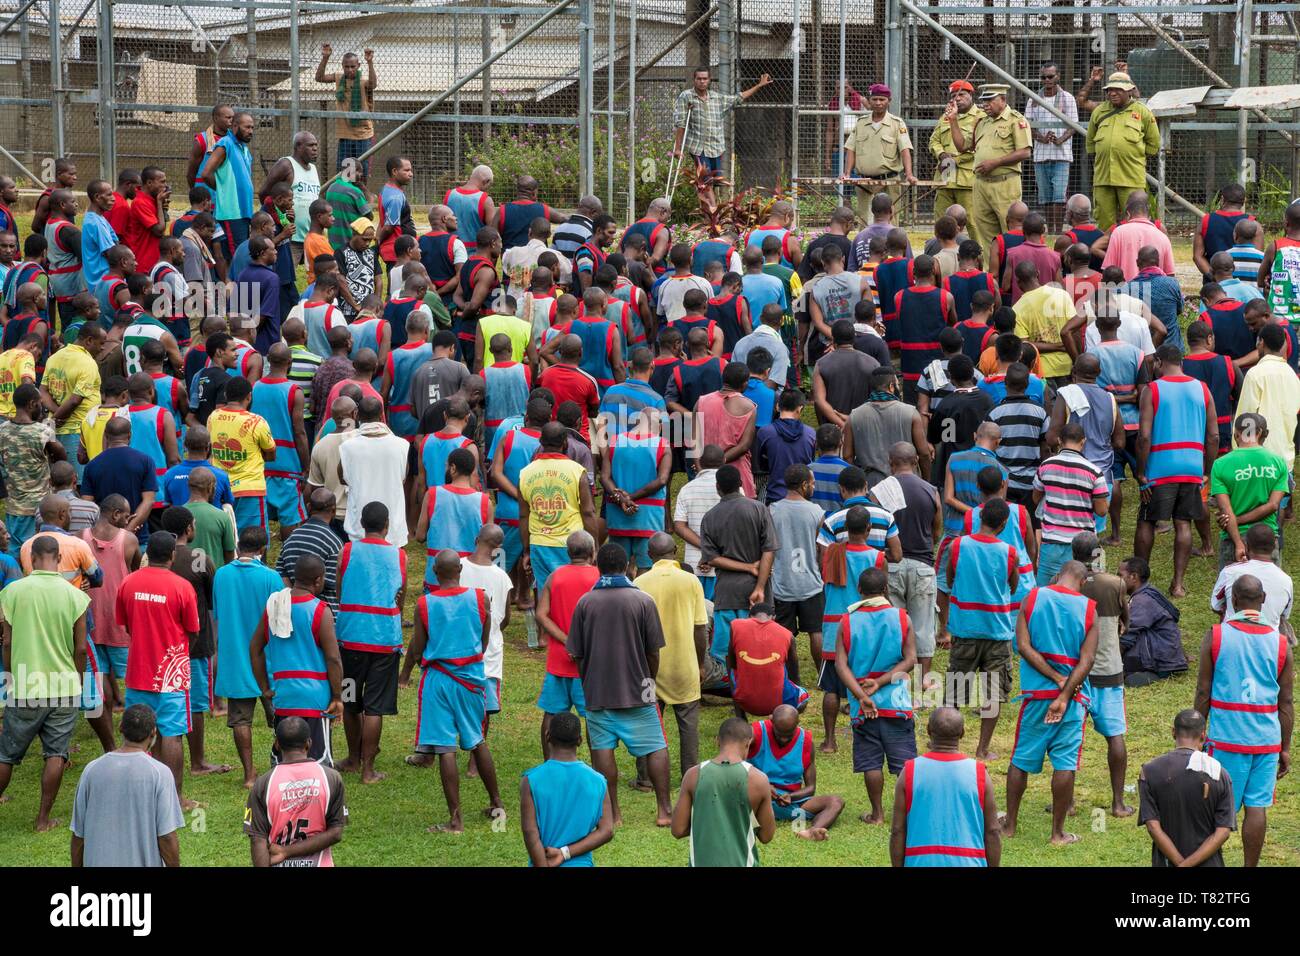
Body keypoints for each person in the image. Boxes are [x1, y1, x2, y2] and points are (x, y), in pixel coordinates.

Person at [566, 543, 672, 826]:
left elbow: (577, 653)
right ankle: (664, 811)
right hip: (640, 690)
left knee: (602, 750)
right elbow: (653, 651)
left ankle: (613, 814)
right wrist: (649, 683)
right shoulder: (643, 601)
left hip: (599, 691)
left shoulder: (585, 603)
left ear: (597, 567)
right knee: (656, 746)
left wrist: (588, 682)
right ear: (627, 567)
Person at [401, 550, 503, 831]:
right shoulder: (480, 598)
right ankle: (497, 805)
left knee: (445, 747)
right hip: (471, 677)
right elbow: (484, 641)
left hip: (438, 679)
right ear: (460, 569)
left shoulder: (425, 604)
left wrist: (406, 672)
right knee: (477, 740)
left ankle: (456, 820)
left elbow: (418, 646)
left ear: (435, 571)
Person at [1195, 574, 1293, 866]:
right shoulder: (1281, 644)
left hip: (1226, 738)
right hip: (1265, 741)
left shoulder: (1217, 635)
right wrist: (1284, 748)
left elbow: (1203, 690)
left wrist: (1196, 736)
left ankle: (1209, 862)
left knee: (1218, 810)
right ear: (1263, 600)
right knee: (1257, 807)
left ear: (1233, 601)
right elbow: (1285, 702)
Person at [1002, 561, 1099, 845]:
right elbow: (1088, 660)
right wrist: (1066, 693)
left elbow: (1022, 646)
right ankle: (1057, 833)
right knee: (1065, 763)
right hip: (1072, 700)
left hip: (1036, 697)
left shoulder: (1032, 597)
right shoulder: (1089, 608)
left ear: (1057, 576)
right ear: (1082, 581)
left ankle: (1009, 825)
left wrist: (1055, 678)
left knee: (1020, 759)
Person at [0, 534, 90, 831]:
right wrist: (77, 681)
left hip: (24, 685)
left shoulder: (13, 592)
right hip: (63, 686)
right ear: (59, 559)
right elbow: (80, 648)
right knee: (56, 753)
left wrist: (9, 679)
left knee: (7, 754)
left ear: (33, 559)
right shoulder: (75, 595)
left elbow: (7, 642)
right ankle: (42, 819)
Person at [114, 531, 200, 809]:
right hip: (172, 673)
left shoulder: (127, 583)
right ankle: (174, 799)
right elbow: (193, 631)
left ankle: (142, 796)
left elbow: (125, 626)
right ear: (173, 555)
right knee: (171, 733)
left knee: (138, 733)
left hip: (138, 670)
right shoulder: (182, 586)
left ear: (148, 554)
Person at [835, 565, 917, 824]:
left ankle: (878, 814)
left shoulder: (846, 621)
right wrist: (880, 683)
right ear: (886, 590)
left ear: (859, 590)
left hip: (863, 708)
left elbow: (840, 665)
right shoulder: (902, 617)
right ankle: (906, 815)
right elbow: (910, 659)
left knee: (871, 761)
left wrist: (861, 695)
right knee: (904, 763)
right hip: (896, 703)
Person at [1135, 345, 1216, 597]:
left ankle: (1140, 579)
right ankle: (1178, 584)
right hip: (1191, 465)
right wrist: (1206, 471)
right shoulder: (1202, 388)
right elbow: (1213, 436)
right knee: (1184, 524)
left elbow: (1144, 436)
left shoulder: (1153, 389)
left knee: (1147, 520)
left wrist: (1140, 471)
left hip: (1160, 466)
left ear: (1158, 362)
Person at [249, 553, 344, 766]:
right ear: (318, 580)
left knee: (284, 760)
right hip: (315, 699)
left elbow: (255, 649)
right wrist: (337, 696)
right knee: (317, 763)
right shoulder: (320, 610)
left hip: (284, 697)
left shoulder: (273, 607)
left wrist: (264, 687)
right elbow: (333, 658)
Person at [632, 532, 708, 782]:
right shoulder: (691, 581)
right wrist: (699, 663)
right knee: (688, 726)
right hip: (684, 666)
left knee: (647, 723)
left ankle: (644, 778)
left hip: (648, 670)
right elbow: (699, 628)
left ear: (649, 555)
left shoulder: (639, 583)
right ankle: (690, 775)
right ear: (675, 550)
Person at [213, 526, 283, 786]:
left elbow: (219, 612)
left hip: (234, 658)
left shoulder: (221, 575)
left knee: (241, 720)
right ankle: (281, 765)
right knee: (281, 716)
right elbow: (280, 621)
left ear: (239, 545)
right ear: (263, 550)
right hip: (267, 660)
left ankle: (249, 774)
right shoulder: (271, 578)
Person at [889, 706, 1001, 867]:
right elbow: (992, 831)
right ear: (962, 733)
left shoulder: (910, 771)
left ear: (928, 730)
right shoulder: (979, 773)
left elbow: (898, 830)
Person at [1073, 532, 1135, 819]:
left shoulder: (1066, 585)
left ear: (1073, 554)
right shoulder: (1116, 583)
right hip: (1108, 668)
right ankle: (1118, 802)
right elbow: (1127, 621)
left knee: (1071, 738)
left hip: (1075, 672)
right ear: (1097, 554)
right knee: (1115, 736)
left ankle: (1067, 801)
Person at [670, 716, 777, 866]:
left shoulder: (693, 775)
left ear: (717, 740)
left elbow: (678, 830)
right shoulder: (758, 780)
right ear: (748, 743)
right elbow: (767, 835)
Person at [244, 716, 347, 868]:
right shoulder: (332, 778)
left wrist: (285, 852)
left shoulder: (262, 784)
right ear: (308, 743)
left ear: (277, 745)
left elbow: (257, 840)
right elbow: (336, 832)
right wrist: (286, 851)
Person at [1138, 709, 1237, 868]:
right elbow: (1223, 832)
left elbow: (1152, 827)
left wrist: (1179, 864)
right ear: (1203, 736)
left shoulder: (1149, 771)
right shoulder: (1220, 774)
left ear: (1173, 732)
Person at [520, 711, 614, 867]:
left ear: (547, 736)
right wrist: (565, 853)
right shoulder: (598, 781)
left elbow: (530, 832)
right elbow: (607, 831)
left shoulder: (531, 780)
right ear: (580, 740)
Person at [672, 66, 772, 210]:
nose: (702, 81)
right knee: (705, 182)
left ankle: (707, 216)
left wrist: (759, 85)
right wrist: (677, 148)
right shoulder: (686, 96)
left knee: (709, 183)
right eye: (699, 79)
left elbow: (739, 97)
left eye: (704, 79)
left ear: (709, 80)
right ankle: (714, 211)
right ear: (694, 80)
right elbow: (681, 123)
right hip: (698, 147)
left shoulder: (717, 98)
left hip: (716, 147)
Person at [519, 422, 599, 593]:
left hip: (539, 544)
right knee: (573, 593)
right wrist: (595, 547)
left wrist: (526, 550)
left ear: (541, 442)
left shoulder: (525, 473)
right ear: (565, 443)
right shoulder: (577, 471)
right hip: (572, 545)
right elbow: (588, 512)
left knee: (545, 593)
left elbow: (524, 516)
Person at [950, 83, 1031, 248]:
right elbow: (962, 147)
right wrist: (953, 120)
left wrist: (996, 162)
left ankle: (1011, 269)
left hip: (1004, 184)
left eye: (990, 100)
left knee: (1011, 232)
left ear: (1003, 99)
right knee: (986, 234)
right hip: (981, 185)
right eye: (983, 100)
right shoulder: (981, 123)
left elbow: (1025, 152)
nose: (985, 104)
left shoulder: (1016, 120)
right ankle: (991, 270)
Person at [746, 704, 844, 840]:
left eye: (789, 735)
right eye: (779, 734)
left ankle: (812, 831)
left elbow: (811, 788)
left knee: (835, 801)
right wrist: (763, 786)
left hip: (791, 803)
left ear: (798, 723)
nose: (784, 739)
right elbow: (735, 765)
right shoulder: (756, 732)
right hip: (760, 797)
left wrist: (791, 797)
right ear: (771, 720)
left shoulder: (806, 741)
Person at [1209, 412, 1287, 570]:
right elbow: (1273, 505)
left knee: (1233, 591)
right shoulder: (1278, 462)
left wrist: (1238, 541)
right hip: (1267, 539)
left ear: (1236, 433)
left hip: (1233, 538)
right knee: (1269, 590)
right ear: (1259, 433)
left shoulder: (1220, 464)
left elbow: (1225, 509)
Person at [1086, 74, 1159, 231]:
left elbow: (1153, 145)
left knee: (1134, 221)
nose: (1112, 93)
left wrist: (1131, 154)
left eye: (1118, 90)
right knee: (1105, 223)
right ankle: (1106, 254)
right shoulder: (1099, 112)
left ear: (1130, 91)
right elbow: (1090, 144)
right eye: (1110, 90)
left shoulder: (1142, 112)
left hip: (1131, 178)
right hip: (1103, 178)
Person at [0, 383, 66, 556]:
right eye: (39, 403)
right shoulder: (43, 431)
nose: (42, 407)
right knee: (37, 551)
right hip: (39, 506)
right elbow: (60, 455)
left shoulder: (2, 430)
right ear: (31, 404)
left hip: (13, 505)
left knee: (14, 549)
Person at [338, 397, 409, 546]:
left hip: (360, 525)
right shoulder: (401, 445)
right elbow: (403, 477)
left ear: (356, 414)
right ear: (382, 415)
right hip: (392, 526)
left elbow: (342, 478)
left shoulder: (348, 447)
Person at [839, 83, 917, 219]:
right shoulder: (861, 123)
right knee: (864, 220)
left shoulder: (897, 123)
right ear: (869, 100)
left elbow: (905, 150)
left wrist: (909, 174)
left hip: (889, 181)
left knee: (890, 221)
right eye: (874, 99)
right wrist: (847, 173)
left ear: (889, 101)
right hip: (864, 182)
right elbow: (851, 149)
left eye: (882, 99)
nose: (878, 103)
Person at [843, 368, 930, 485]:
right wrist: (926, 483)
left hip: (871, 485)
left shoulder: (854, 415)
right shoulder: (910, 413)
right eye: (897, 385)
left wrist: (859, 484)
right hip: (906, 484)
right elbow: (924, 454)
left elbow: (847, 456)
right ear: (891, 386)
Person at [1236, 323, 1300, 475]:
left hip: (1257, 463)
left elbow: (1246, 418)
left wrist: (1239, 454)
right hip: (1286, 459)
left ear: (1261, 343)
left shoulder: (1255, 374)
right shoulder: (1292, 376)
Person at [81, 416, 156, 544]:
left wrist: (106, 530)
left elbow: (86, 505)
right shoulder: (145, 461)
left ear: (105, 436)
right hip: (137, 537)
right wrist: (128, 530)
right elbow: (148, 501)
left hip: (102, 538)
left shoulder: (92, 465)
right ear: (129, 435)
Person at [1024, 62, 1078, 233]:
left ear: (1058, 76)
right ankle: (1050, 230)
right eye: (1043, 77)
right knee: (1045, 197)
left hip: (1061, 155)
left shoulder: (1067, 97)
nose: (1046, 80)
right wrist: (1041, 137)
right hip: (1041, 155)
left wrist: (1060, 139)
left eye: (1050, 76)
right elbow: (1027, 126)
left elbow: (1074, 124)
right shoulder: (1034, 99)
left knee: (1059, 197)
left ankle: (1057, 231)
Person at [1119, 555, 1188, 686]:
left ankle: (1151, 673)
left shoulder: (1142, 600)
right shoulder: (1147, 592)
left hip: (1163, 663)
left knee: (1128, 679)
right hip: (1166, 656)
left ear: (1133, 577)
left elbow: (1128, 635)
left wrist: (1111, 665)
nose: (1117, 580)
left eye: (1120, 576)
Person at [1212, 525, 1293, 630]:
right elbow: (1284, 615)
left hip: (1233, 639)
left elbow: (1216, 606)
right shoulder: (1286, 580)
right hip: (1269, 642)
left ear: (1246, 545)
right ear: (1274, 545)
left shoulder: (1229, 572)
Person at [199, 110, 255, 259]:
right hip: (231, 212)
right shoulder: (225, 144)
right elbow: (206, 174)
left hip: (244, 211)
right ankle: (233, 283)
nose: (250, 131)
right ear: (235, 126)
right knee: (236, 256)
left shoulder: (244, 148)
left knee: (242, 253)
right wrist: (223, 190)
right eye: (247, 127)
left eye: (252, 128)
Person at [317, 45, 378, 176]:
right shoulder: (339, 78)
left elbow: (373, 84)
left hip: (363, 134)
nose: (350, 69)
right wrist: (325, 57)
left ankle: (361, 195)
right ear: (342, 66)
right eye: (347, 66)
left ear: (358, 65)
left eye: (353, 66)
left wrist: (370, 62)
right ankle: (345, 195)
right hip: (345, 134)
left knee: (362, 171)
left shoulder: (362, 81)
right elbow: (319, 78)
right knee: (345, 171)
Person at [929, 80, 979, 215]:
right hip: (945, 175)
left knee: (971, 222)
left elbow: (981, 147)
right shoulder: (945, 117)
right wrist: (942, 155)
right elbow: (933, 141)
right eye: (953, 96)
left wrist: (955, 160)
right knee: (942, 220)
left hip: (967, 179)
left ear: (971, 95)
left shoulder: (981, 117)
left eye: (961, 94)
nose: (957, 98)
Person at [1102, 191, 1174, 281]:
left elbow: (1108, 271)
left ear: (1128, 213)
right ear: (1148, 210)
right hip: (1154, 292)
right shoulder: (1163, 237)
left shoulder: (1118, 232)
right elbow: (1170, 275)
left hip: (1125, 291)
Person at [1002, 213, 1062, 302]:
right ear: (1043, 230)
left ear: (1023, 231)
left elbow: (1005, 286)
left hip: (1020, 308)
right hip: (1046, 309)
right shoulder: (1054, 256)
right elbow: (1059, 288)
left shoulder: (1012, 254)